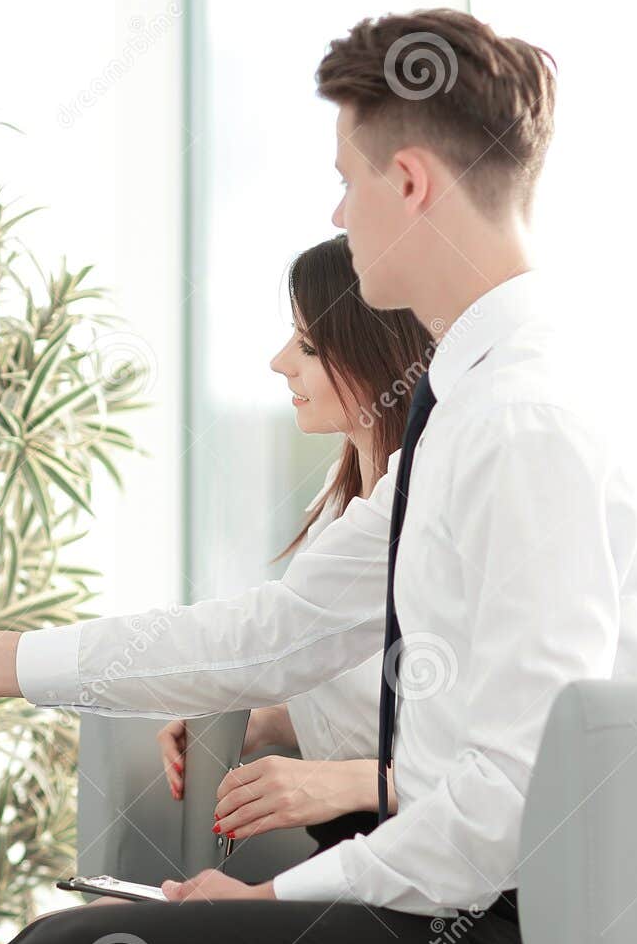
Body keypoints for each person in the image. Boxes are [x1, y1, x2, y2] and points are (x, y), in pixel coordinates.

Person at [0, 9, 637, 944]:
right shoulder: (472, 409)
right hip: (483, 918)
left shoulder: (522, 422)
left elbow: (510, 801)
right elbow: (272, 630)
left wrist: (274, 896)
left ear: (409, 182)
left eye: (345, 179)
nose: (340, 211)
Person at [157, 233, 431, 855]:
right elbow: (360, 694)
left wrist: (355, 782)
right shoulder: (339, 510)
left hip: (417, 871)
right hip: (346, 856)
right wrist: (267, 723)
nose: (280, 361)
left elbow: (496, 770)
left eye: (308, 345)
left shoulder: (432, 521)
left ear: (380, 359)